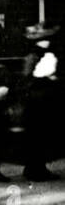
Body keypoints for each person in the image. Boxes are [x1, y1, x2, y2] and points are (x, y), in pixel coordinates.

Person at [20, 22, 61, 182]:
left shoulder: (41, 55)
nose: (48, 42)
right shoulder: (34, 56)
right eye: (46, 39)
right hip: (36, 103)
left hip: (40, 102)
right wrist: (47, 79)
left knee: (40, 136)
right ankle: (35, 169)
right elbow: (27, 79)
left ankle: (37, 167)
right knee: (37, 136)